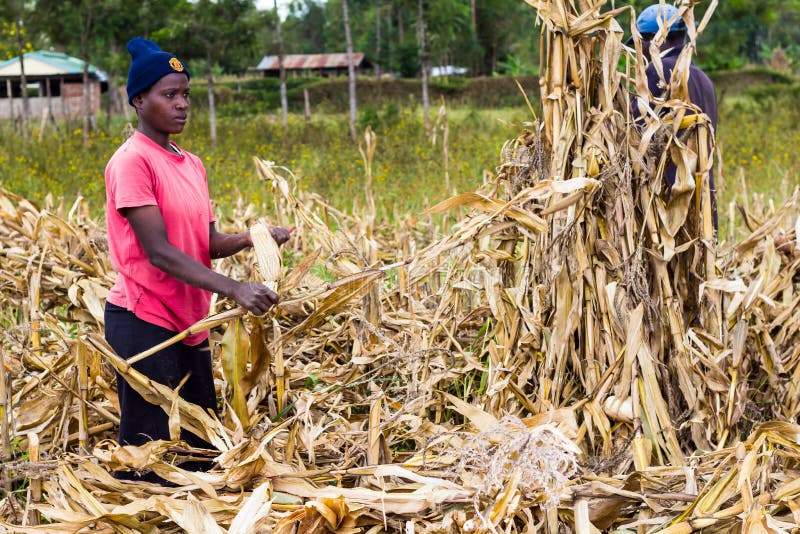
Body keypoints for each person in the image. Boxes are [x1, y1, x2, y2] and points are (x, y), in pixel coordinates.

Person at [104, 37, 291, 482]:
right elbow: (160, 251)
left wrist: (256, 237)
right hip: (144, 322)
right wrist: (235, 289)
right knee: (152, 460)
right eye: (169, 95)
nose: (182, 104)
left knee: (198, 451)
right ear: (138, 99)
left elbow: (204, 244)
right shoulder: (132, 162)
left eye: (186, 94)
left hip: (190, 324)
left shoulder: (192, 163)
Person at [631, 3, 718, 229]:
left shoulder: (657, 71)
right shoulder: (703, 78)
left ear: (657, 39)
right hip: (703, 194)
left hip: (671, 198)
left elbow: (635, 129)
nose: (640, 51)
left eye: (641, 42)